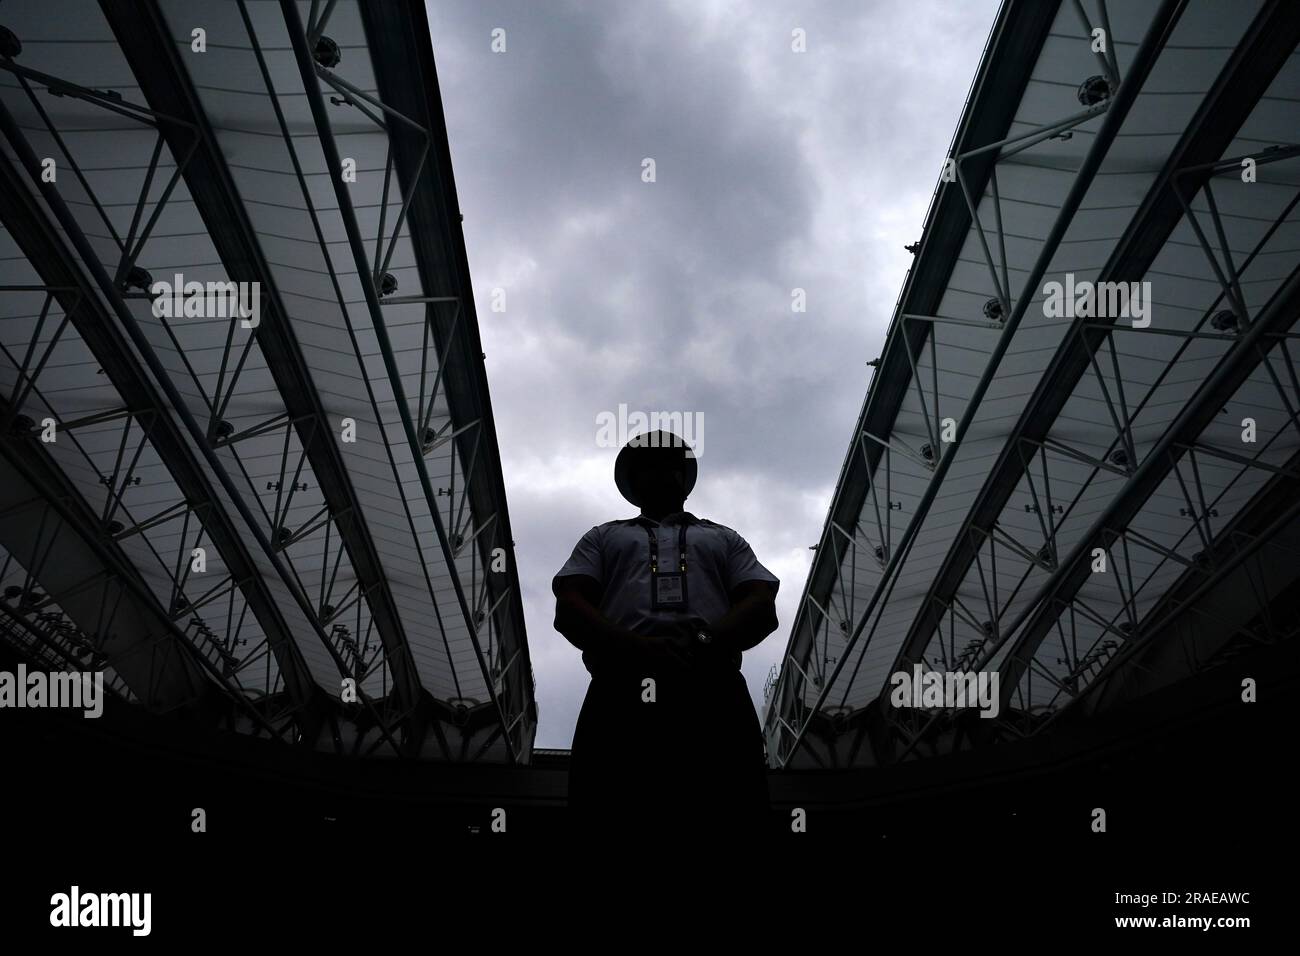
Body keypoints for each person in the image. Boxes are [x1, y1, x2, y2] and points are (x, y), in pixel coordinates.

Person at [552, 429, 780, 840]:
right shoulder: (603, 536)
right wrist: (635, 647)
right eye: (649, 466)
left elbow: (761, 602)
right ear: (632, 481)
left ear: (683, 478)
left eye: (670, 464)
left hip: (711, 683)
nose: (661, 473)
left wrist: (704, 642)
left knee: (732, 810)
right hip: (621, 686)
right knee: (608, 810)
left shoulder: (723, 537)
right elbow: (569, 604)